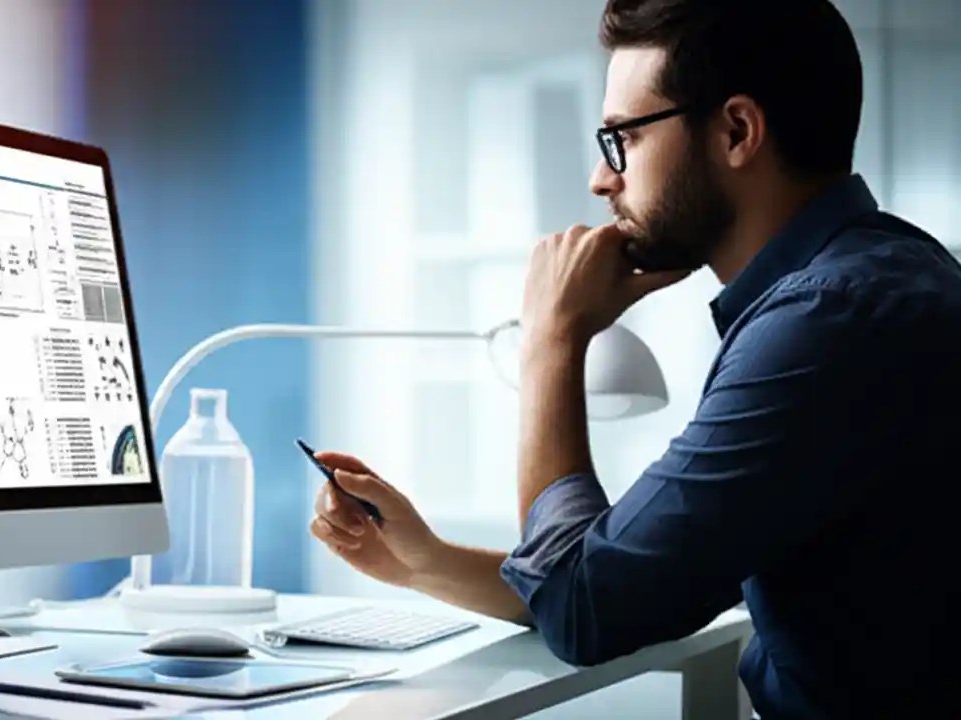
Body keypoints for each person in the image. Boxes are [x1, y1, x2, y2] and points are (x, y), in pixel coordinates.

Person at [308, 0, 960, 717]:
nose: (600, 178)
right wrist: (424, 562)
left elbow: (588, 610)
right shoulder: (886, 277)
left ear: (737, 131)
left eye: (622, 138)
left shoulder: (826, 324)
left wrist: (553, 340)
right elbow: (636, 574)